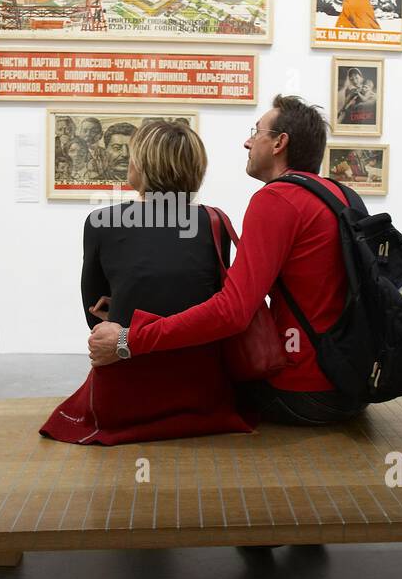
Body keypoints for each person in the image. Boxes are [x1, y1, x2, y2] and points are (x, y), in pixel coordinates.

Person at [88, 95, 367, 427]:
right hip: (353, 385)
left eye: (256, 131)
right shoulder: (341, 195)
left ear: (280, 142)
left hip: (303, 392)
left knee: (198, 388)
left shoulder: (276, 200)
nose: (247, 142)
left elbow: (232, 313)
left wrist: (128, 339)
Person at [40, 120, 253, 445]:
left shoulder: (102, 221)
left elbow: (92, 311)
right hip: (200, 391)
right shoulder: (214, 221)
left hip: (125, 391)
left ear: (143, 165)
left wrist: (129, 305)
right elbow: (209, 299)